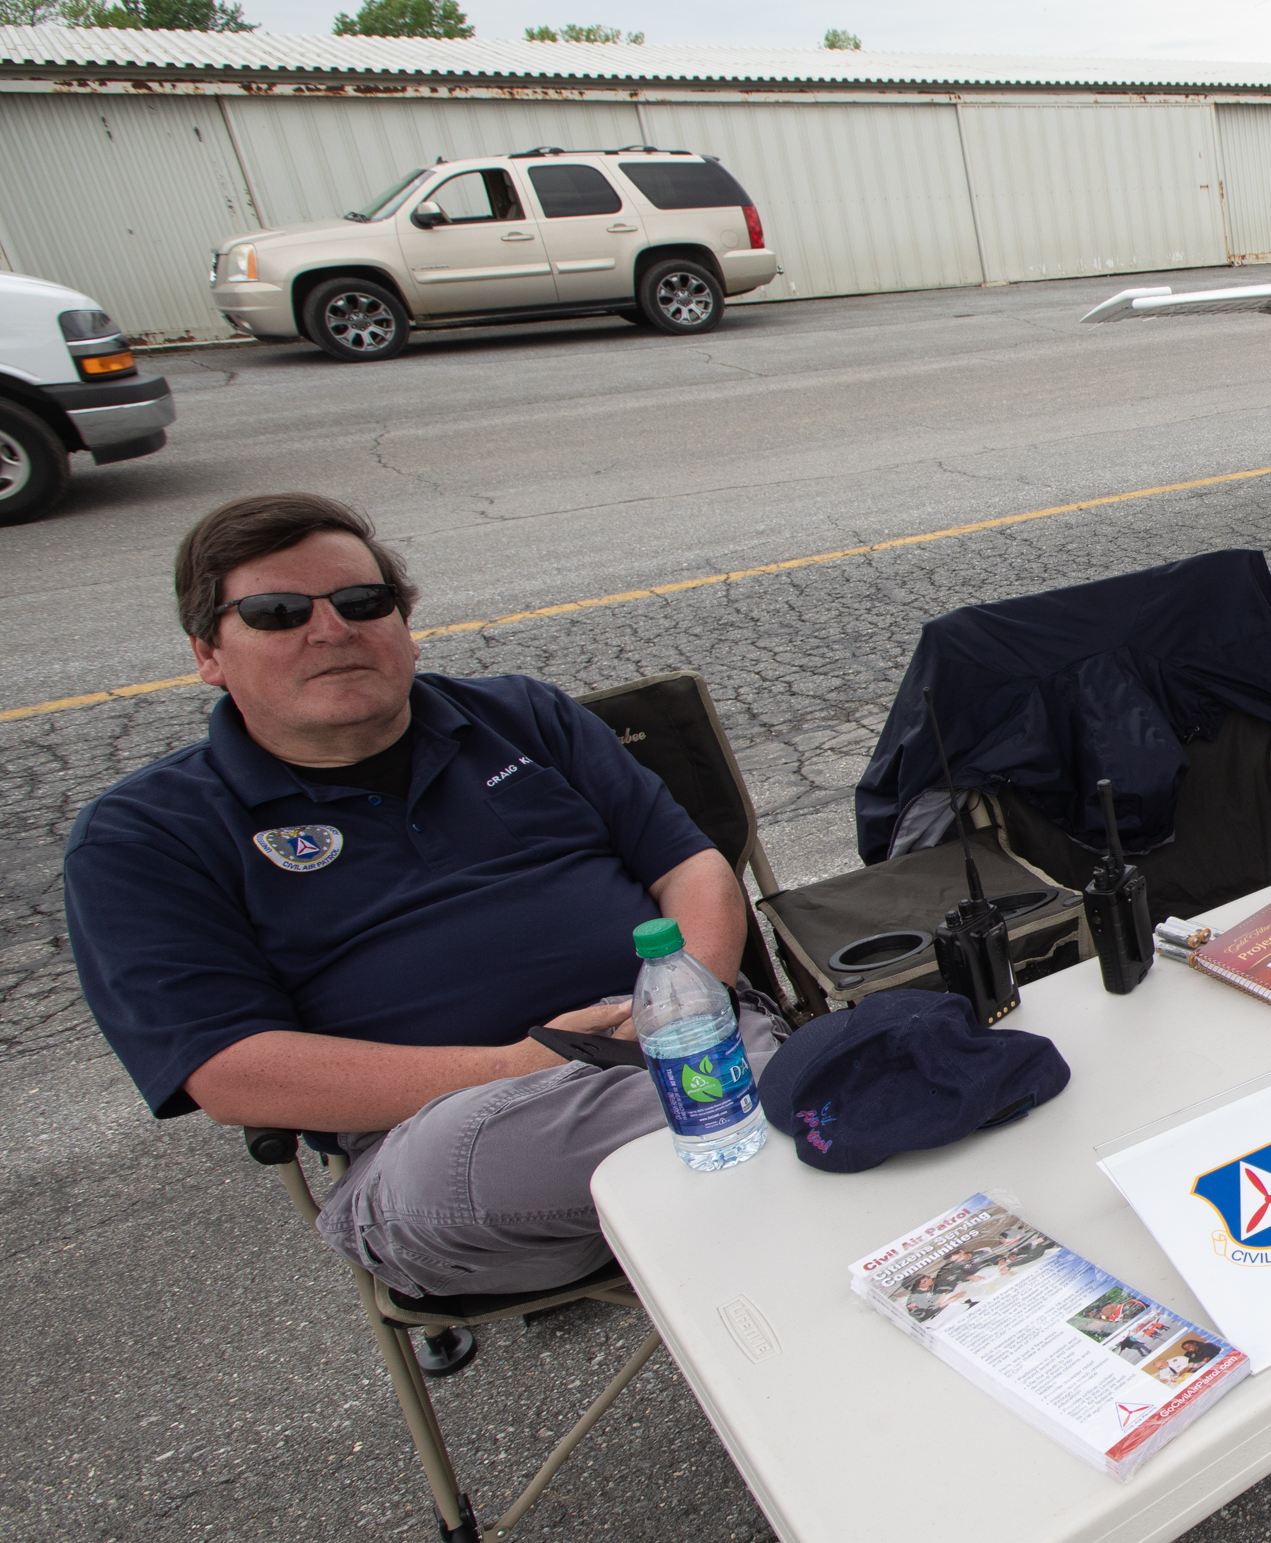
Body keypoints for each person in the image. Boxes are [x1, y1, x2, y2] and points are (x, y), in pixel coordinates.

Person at [61, 493, 781, 1300]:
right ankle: (798, 1106)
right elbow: (233, 1072)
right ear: (208, 652)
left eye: (362, 602)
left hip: (679, 1045)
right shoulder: (145, 833)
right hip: (451, 1138)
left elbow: (692, 867)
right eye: (276, 612)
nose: (331, 630)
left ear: (401, 621)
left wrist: (691, 1013)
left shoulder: (521, 716)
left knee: (750, 1088)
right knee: (761, 1100)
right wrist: (519, 1065)